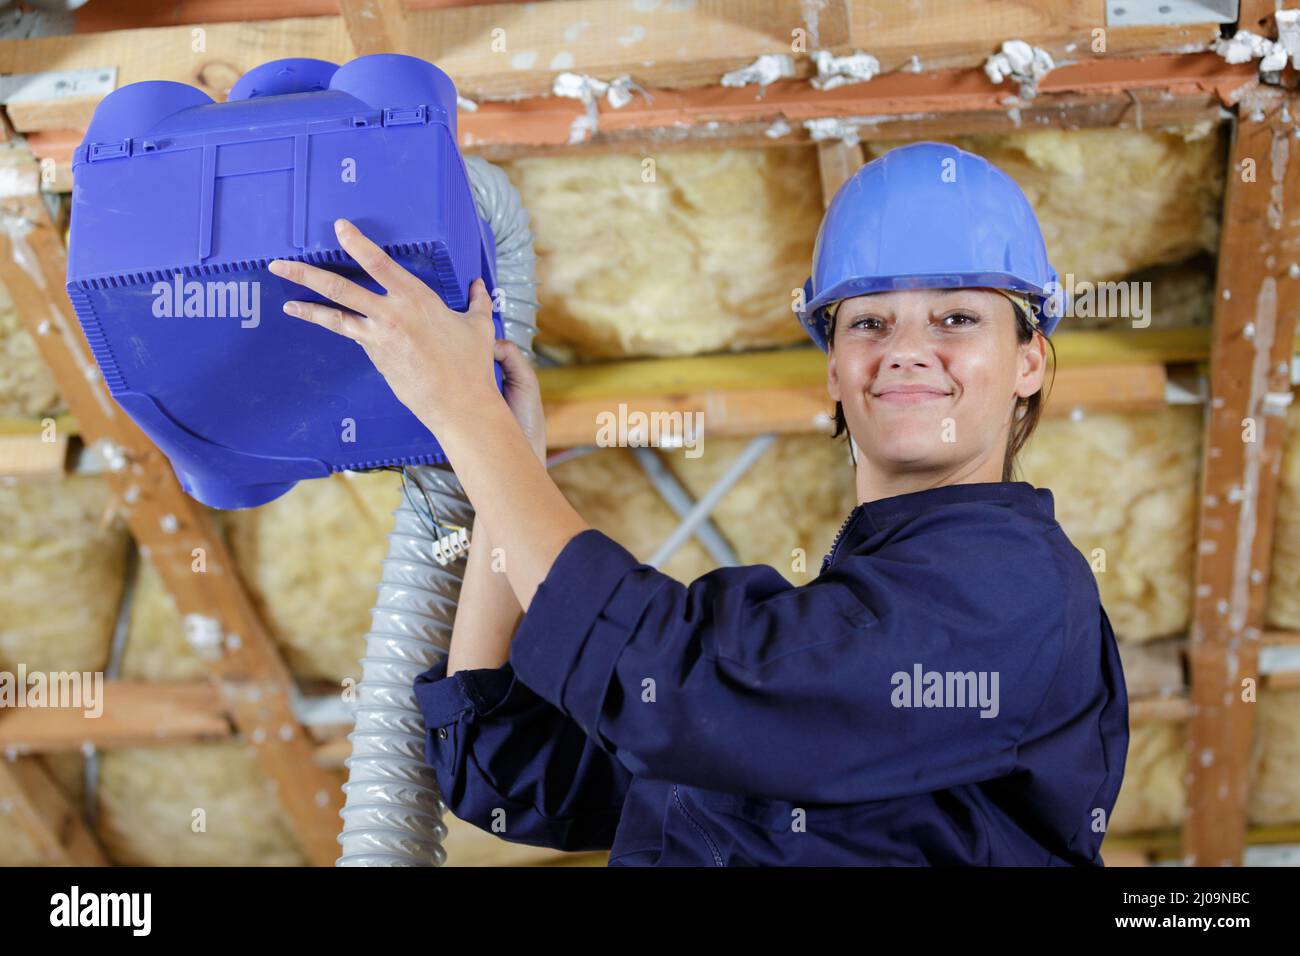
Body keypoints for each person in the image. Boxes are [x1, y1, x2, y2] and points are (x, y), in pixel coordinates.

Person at [268, 139, 1129, 866]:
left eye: (956, 320)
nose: (906, 351)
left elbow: (682, 687)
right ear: (833, 369)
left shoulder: (1019, 590)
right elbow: (511, 772)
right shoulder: (807, 665)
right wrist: (503, 467)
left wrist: (463, 412)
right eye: (869, 323)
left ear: (1030, 363)